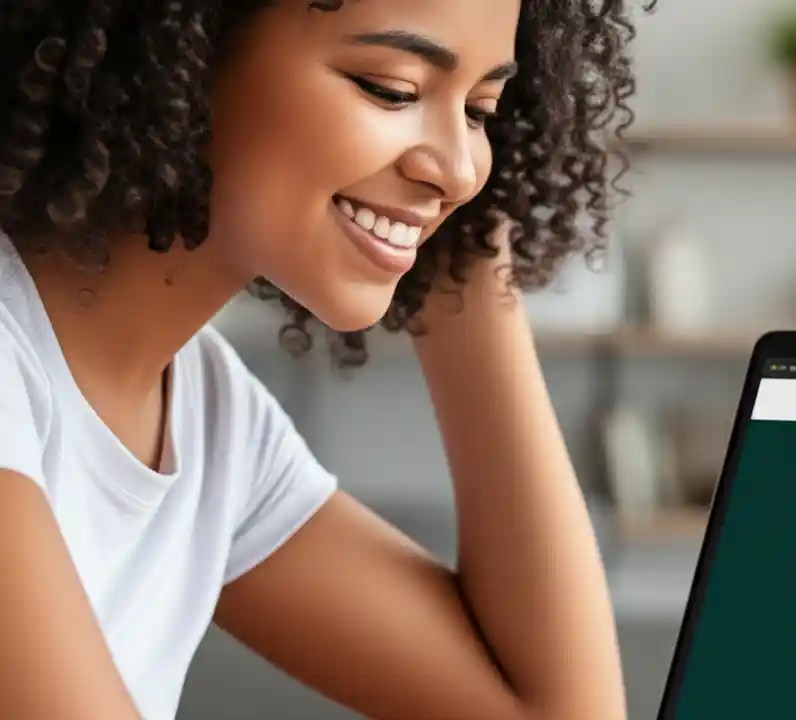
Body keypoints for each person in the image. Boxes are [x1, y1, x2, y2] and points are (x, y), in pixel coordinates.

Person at [0, 1, 648, 718]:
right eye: (392, 90)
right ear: (182, 59)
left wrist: (462, 262)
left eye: (480, 110)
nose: (462, 173)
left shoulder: (209, 419)